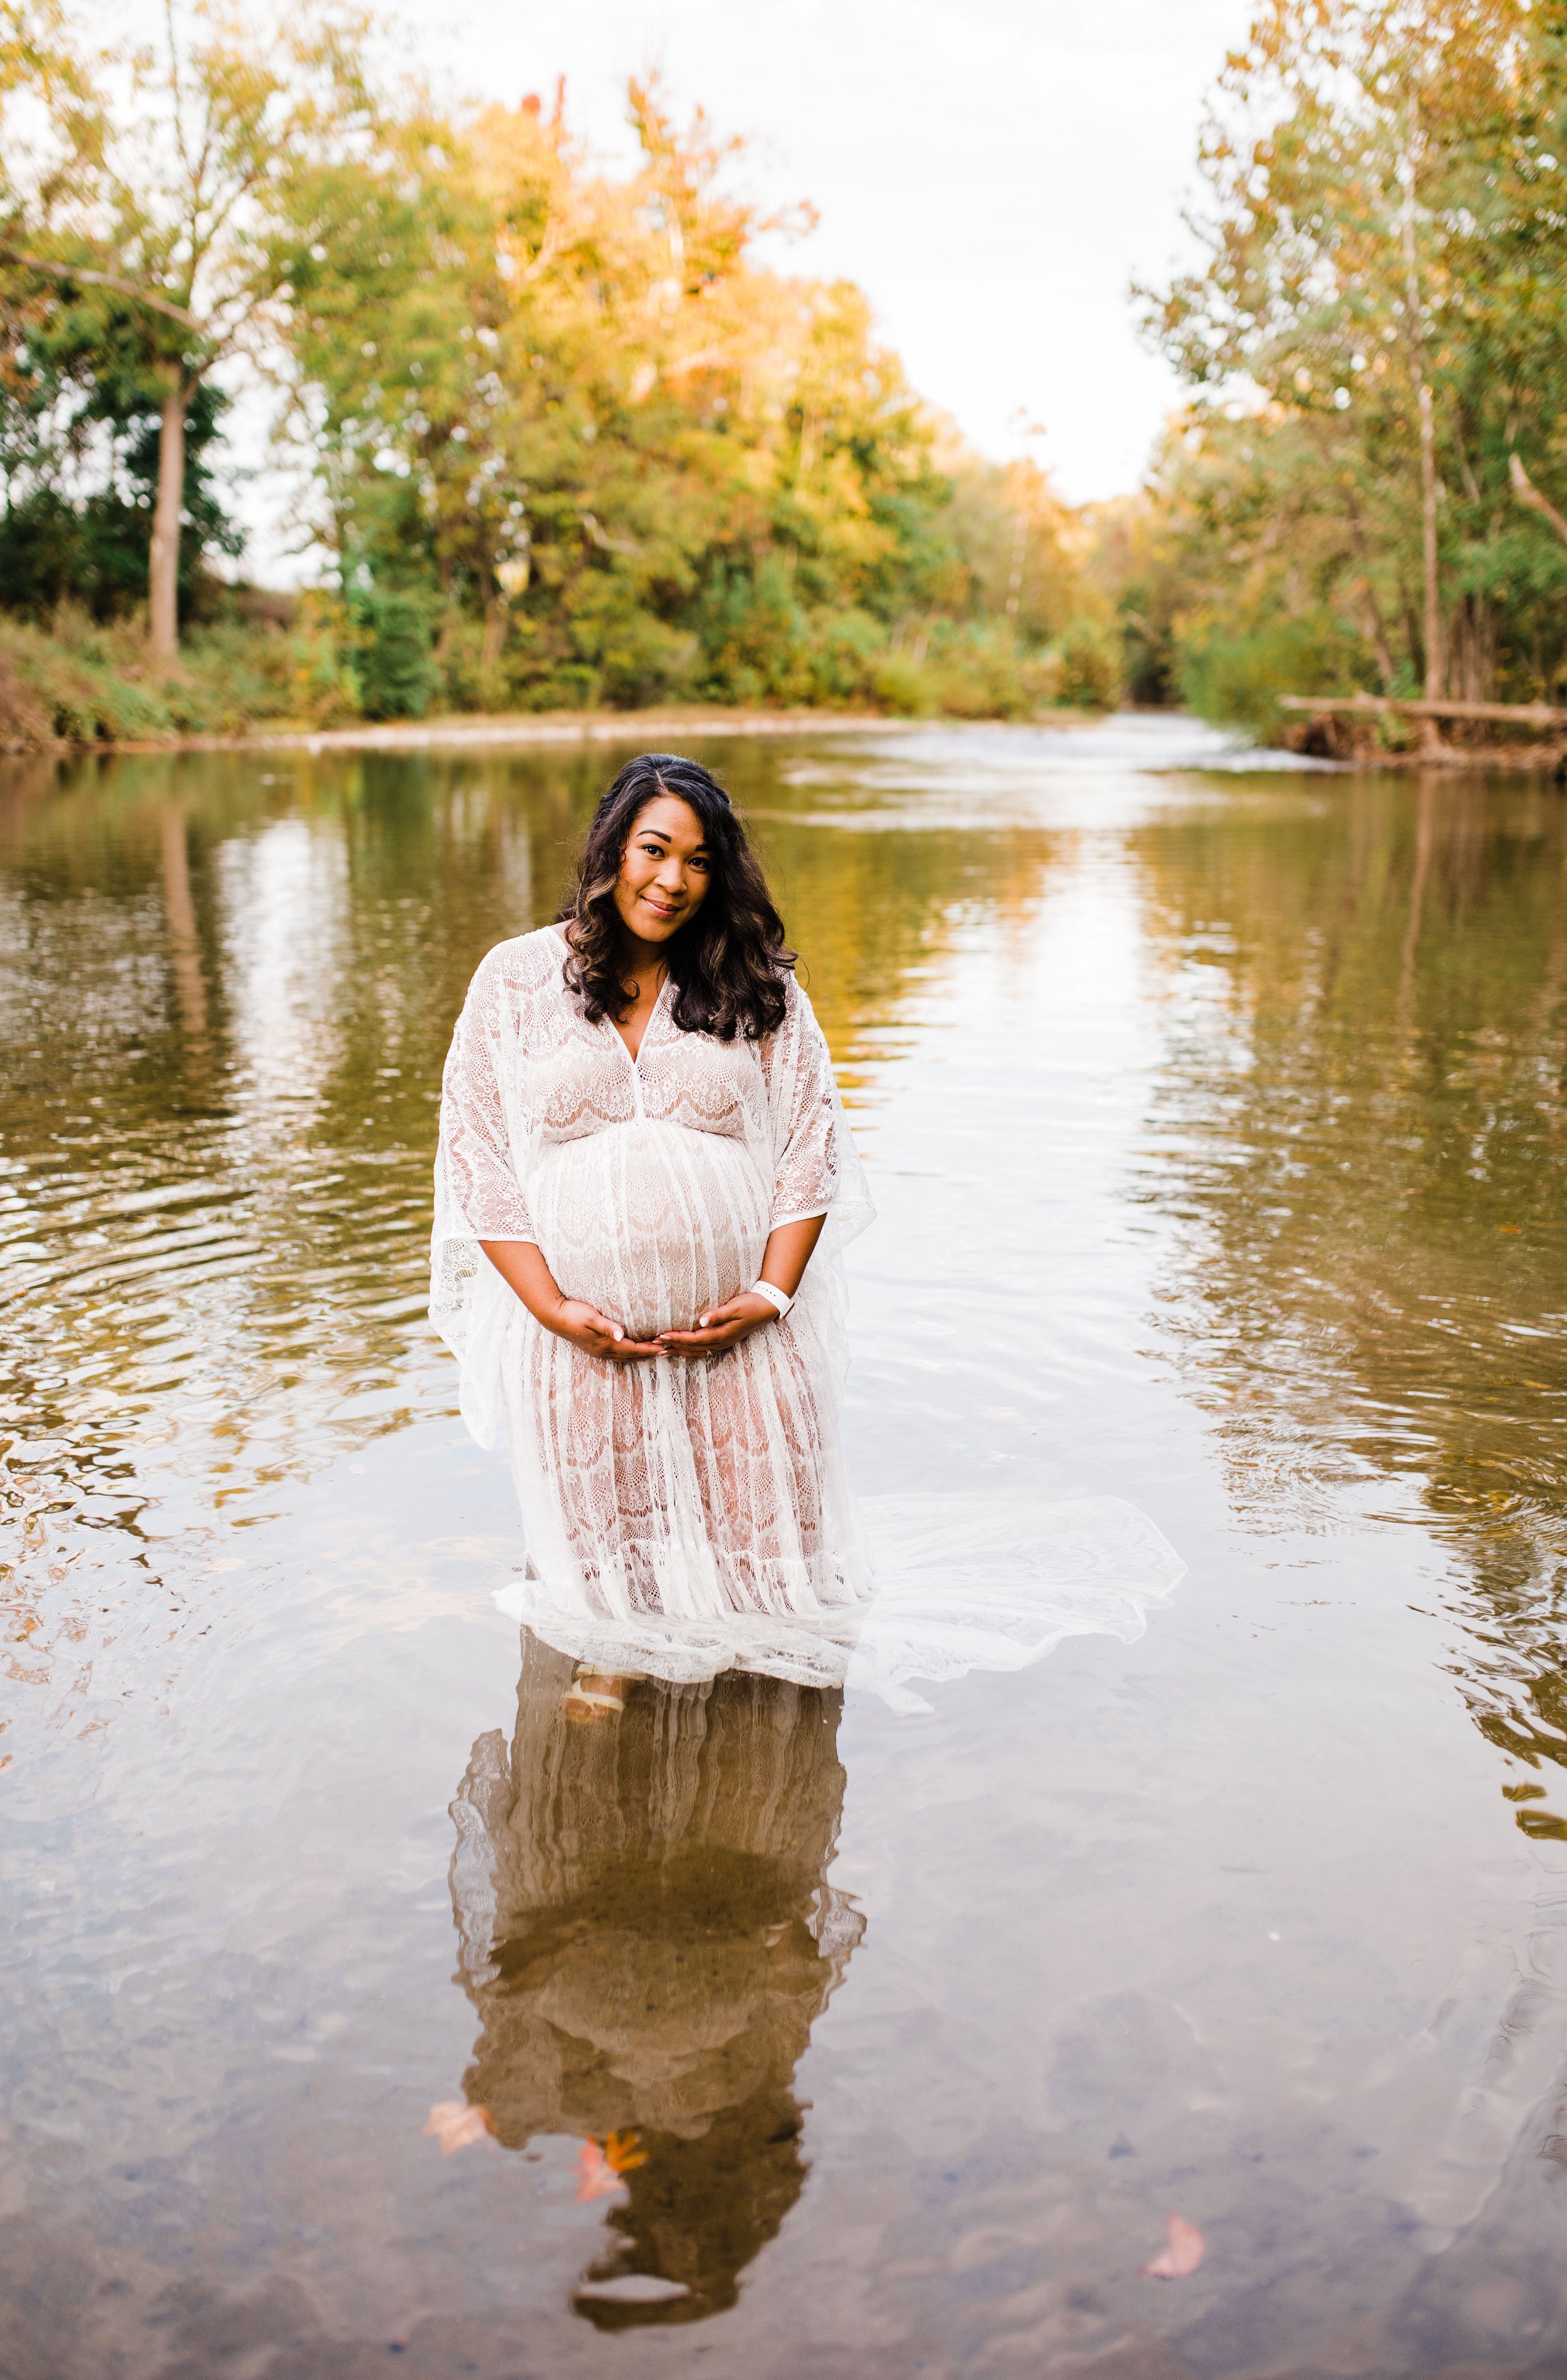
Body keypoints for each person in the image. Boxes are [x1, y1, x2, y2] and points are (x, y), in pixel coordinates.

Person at [431, 751, 874, 1703]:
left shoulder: (757, 986)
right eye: (655, 849)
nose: (673, 880)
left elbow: (810, 1143)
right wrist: (550, 1307)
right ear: (611, 848)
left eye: (701, 862)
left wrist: (769, 1293)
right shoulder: (515, 981)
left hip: (748, 1347)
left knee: (768, 1609)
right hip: (580, 1345)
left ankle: (753, 1796)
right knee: (609, 1611)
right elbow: (476, 1156)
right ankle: (612, 1681)